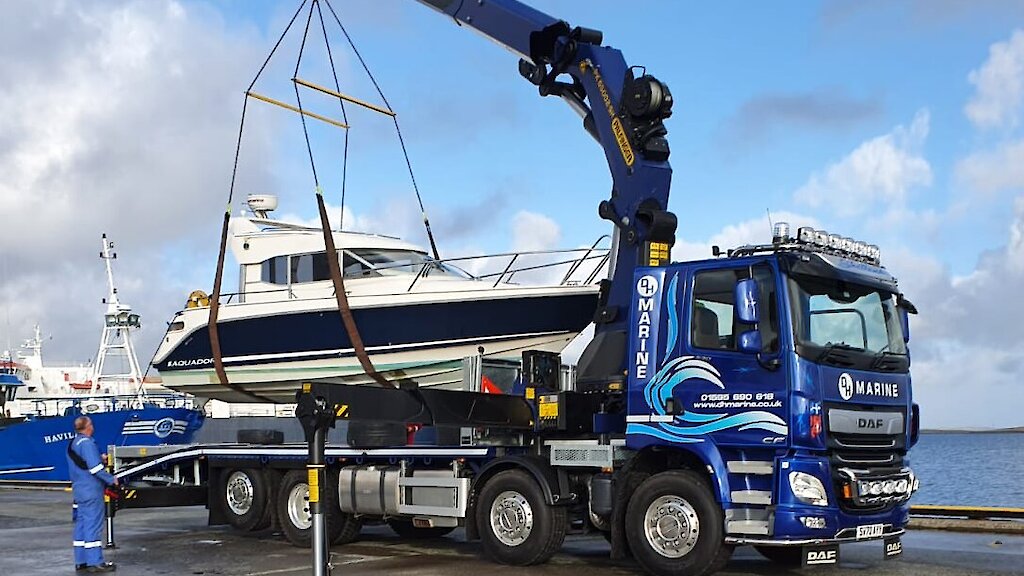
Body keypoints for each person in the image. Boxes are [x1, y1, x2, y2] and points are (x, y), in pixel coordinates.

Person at [67, 416, 118, 573]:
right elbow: (95, 470)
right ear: (88, 427)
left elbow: (83, 463)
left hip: (80, 490)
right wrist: (111, 480)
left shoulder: (73, 443)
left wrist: (98, 458)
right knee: (93, 525)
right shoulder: (88, 443)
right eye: (91, 424)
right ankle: (95, 562)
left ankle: (81, 560)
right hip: (92, 490)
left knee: (82, 525)